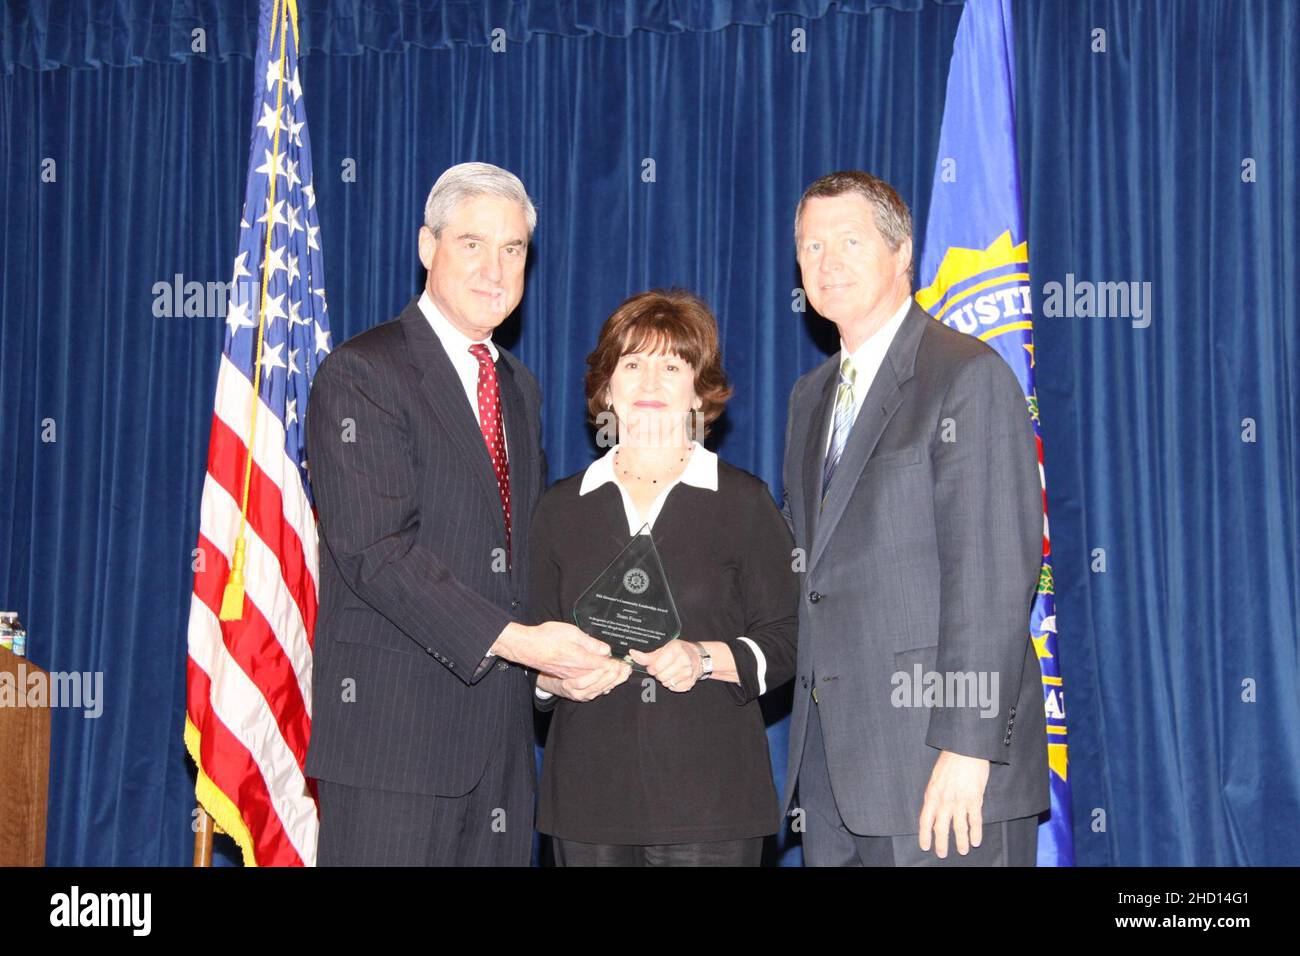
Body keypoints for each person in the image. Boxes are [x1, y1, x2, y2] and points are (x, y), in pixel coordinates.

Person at [305, 162, 617, 866]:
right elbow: (377, 553)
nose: (495, 269)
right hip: (394, 745)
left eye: (513, 251)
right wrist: (521, 641)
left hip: (503, 750)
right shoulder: (363, 372)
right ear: (427, 247)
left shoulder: (519, 387)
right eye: (472, 244)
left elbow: (520, 556)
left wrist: (548, 665)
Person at [781, 170, 1048, 866]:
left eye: (848, 240)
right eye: (811, 247)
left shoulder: (966, 376)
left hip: (941, 774)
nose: (827, 262)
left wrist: (967, 747)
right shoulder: (810, 398)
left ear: (903, 255)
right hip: (833, 778)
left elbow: (992, 579)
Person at [529, 289, 799, 867]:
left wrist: (704, 658)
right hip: (586, 799)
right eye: (632, 364)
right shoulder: (558, 509)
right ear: (606, 388)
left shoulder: (745, 503)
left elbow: (791, 638)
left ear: (700, 390)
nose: (650, 383)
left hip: (713, 803)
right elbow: (525, 647)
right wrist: (553, 679)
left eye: (671, 366)